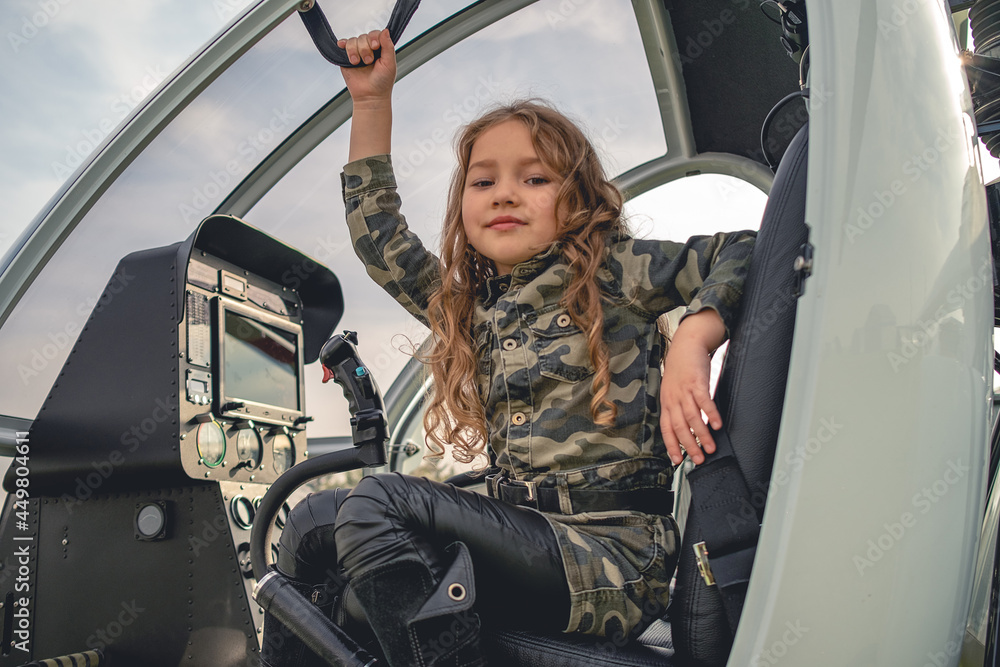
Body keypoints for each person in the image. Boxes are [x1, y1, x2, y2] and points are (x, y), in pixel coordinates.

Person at [261, 29, 755, 667]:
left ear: (575, 199)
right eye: (482, 180)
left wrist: (694, 335)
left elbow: (740, 248)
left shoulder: (615, 272)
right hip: (524, 537)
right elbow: (382, 242)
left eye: (535, 178)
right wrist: (371, 104)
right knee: (309, 525)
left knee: (379, 503)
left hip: (612, 559)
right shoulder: (477, 310)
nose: (503, 193)